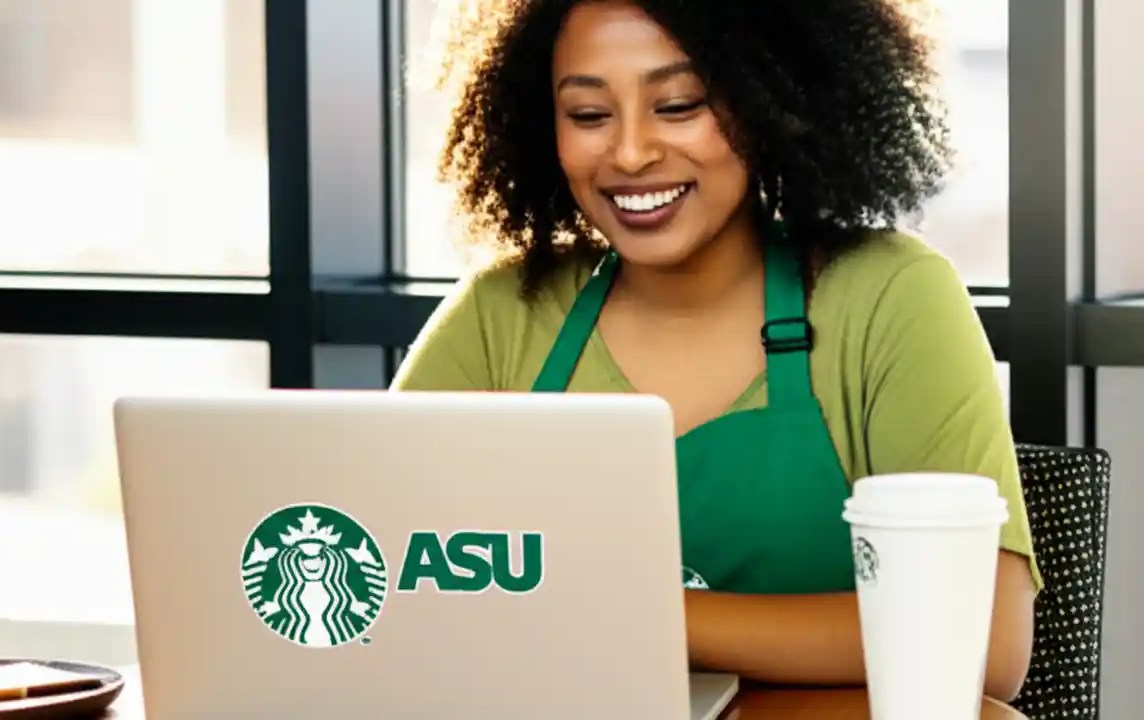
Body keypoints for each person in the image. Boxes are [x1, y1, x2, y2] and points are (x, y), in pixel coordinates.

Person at [390, 0, 1040, 700]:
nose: (632, 152)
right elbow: (382, 581)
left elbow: (983, 643)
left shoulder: (891, 300)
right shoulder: (501, 314)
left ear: (772, 102)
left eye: (678, 105)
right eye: (588, 115)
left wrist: (637, 617)